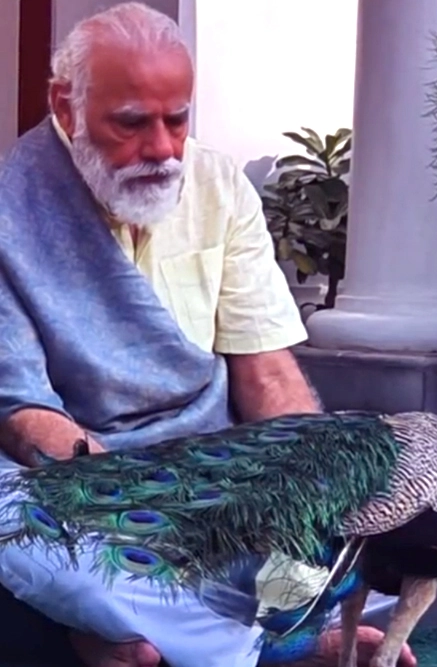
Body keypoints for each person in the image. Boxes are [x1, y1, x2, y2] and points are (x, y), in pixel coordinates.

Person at [0, 3, 413, 667]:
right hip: (81, 479)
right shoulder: (8, 208)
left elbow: (266, 372)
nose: (164, 149)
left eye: (178, 119)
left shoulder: (218, 184)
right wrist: (135, 500)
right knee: (32, 535)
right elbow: (23, 413)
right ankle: (238, 643)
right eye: (132, 123)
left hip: (217, 464)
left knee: (370, 503)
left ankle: (265, 631)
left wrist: (308, 479)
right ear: (66, 105)